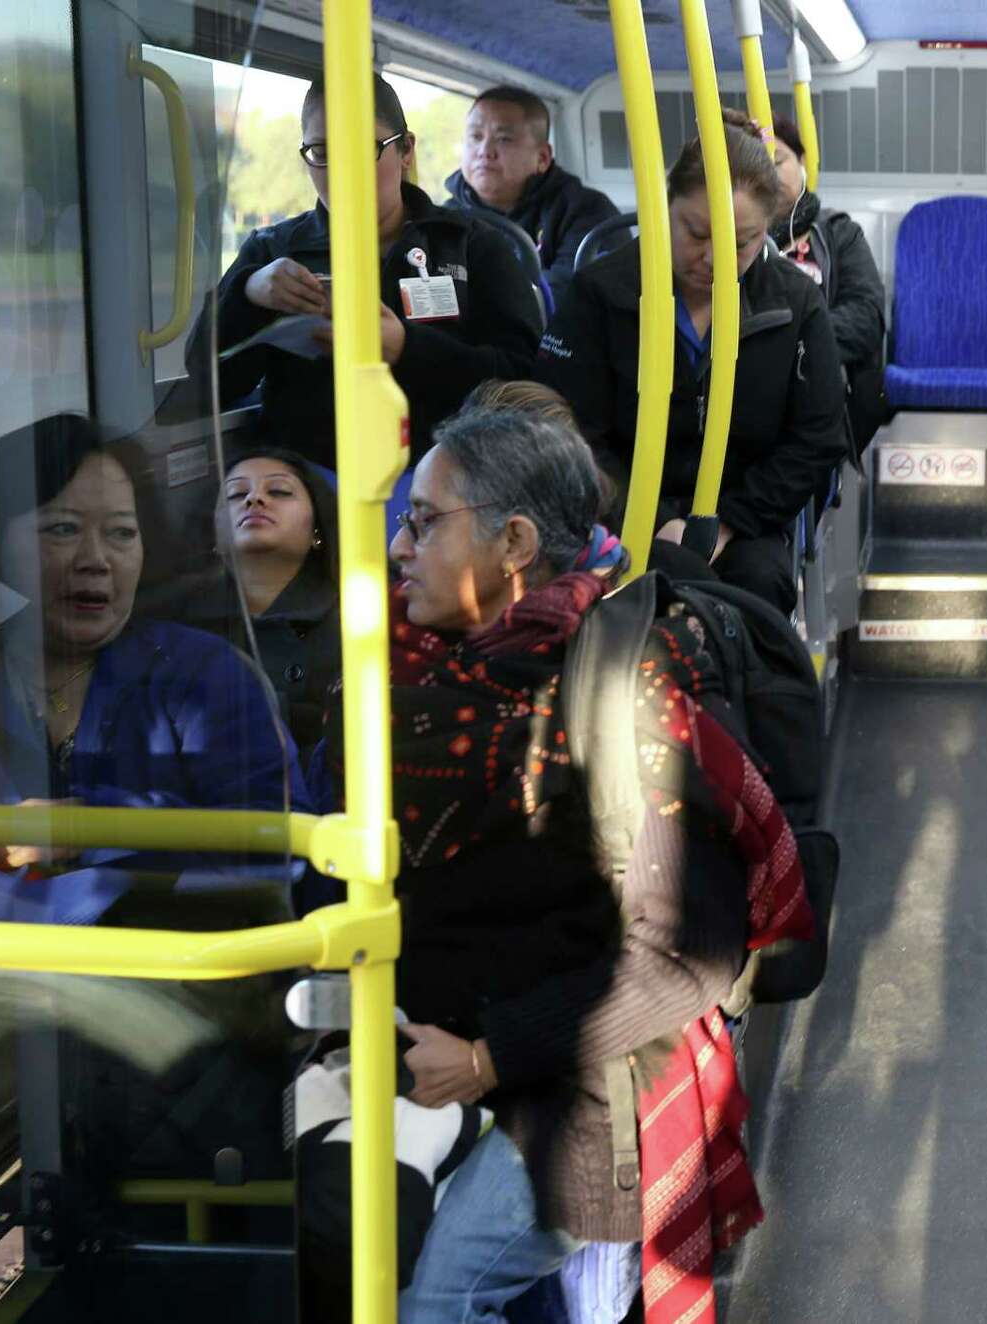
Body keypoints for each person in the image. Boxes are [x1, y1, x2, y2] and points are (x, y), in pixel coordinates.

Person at [324, 405, 805, 1323]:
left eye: (424, 522)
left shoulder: (622, 693)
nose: (398, 549)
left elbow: (687, 955)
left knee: (442, 1301)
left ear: (514, 542)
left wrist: (483, 1058)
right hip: (436, 1033)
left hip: (581, 1081)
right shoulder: (415, 665)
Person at [0, 415, 307, 926]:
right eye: (63, 529)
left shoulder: (202, 674)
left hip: (169, 987)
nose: (96, 559)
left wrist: (98, 827)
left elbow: (284, 847)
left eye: (122, 533)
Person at [535, 116, 846, 614]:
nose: (715, 258)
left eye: (742, 241)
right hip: (618, 510)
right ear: (666, 208)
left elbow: (817, 437)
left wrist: (724, 523)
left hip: (743, 521)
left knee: (756, 595)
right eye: (697, 233)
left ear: (766, 230)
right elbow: (571, 432)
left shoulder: (795, 304)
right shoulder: (601, 293)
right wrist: (653, 520)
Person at [189, 74, 542, 469]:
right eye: (322, 151)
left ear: (406, 150)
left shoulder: (471, 245)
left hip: (449, 483)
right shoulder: (273, 252)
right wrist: (248, 296)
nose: (341, 171)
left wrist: (407, 350)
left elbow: (524, 384)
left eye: (363, 149)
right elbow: (206, 386)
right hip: (311, 492)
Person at [762, 110, 889, 451]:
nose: (768, 178)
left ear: (802, 161)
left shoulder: (837, 233)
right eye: (754, 170)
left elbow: (866, 316)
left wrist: (788, 345)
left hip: (820, 385)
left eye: (778, 162)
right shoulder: (725, 243)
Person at [211, 448, 341, 753]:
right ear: (213, 535)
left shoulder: (362, 611)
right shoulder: (183, 623)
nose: (254, 499)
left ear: (317, 530)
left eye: (280, 491)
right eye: (235, 494)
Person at [442, 85, 620, 306]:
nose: (485, 150)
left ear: (543, 158)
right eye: (475, 136)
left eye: (504, 139)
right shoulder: (444, 218)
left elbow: (571, 297)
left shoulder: (587, 212)